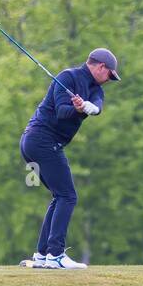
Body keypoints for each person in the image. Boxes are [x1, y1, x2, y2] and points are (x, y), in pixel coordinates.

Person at [19, 49, 120, 269]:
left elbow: (98, 105)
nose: (109, 80)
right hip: (40, 139)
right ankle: (55, 255)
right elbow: (62, 112)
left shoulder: (96, 89)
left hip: (40, 143)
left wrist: (89, 108)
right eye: (109, 75)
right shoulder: (67, 78)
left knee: (60, 195)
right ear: (101, 67)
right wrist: (77, 108)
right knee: (68, 196)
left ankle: (43, 254)